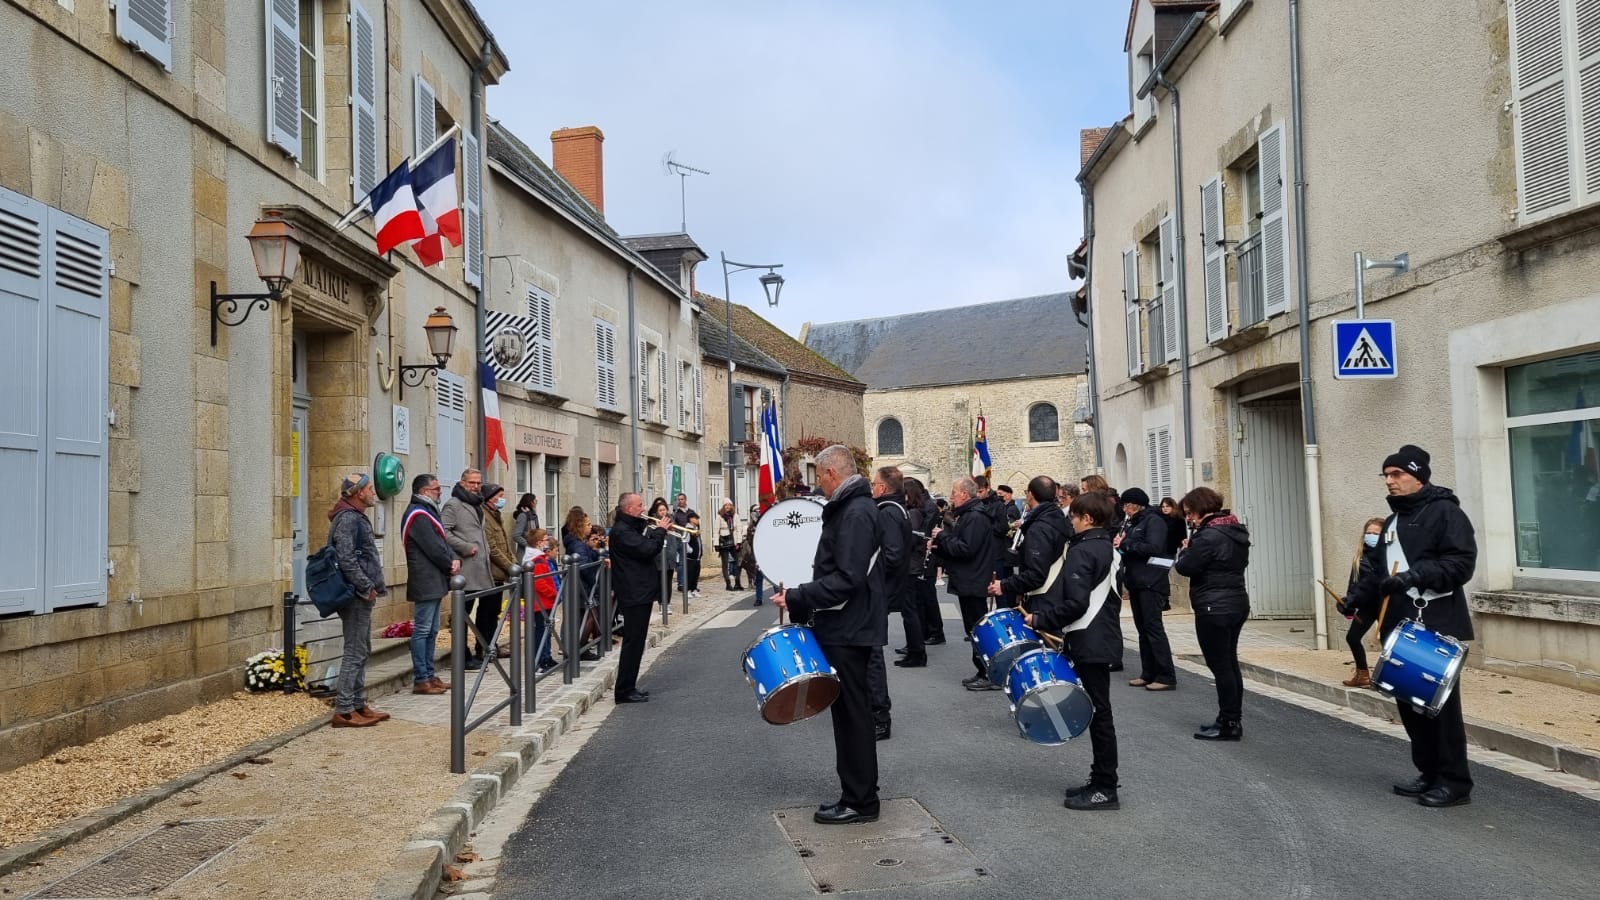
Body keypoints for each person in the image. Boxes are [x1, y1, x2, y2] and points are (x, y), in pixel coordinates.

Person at [1348, 445, 1477, 808]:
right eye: (1386, 476)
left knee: (1440, 707)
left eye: (1397, 474)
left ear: (1418, 475)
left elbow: (1460, 565)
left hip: (1432, 621)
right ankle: (1429, 772)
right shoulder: (1393, 521)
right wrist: (1357, 597)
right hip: (1399, 623)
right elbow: (1376, 571)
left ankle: (1454, 782)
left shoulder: (1446, 513)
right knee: (1410, 703)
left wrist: (1413, 576)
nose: (1389, 481)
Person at [773, 445, 884, 824]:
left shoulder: (854, 512)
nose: (817, 483)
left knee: (853, 716)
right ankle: (857, 793)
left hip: (848, 628)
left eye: (818, 476)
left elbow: (848, 579)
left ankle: (860, 801)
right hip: (848, 626)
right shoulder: (855, 508)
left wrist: (799, 596)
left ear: (832, 473)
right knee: (850, 714)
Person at [1025, 490, 1121, 810]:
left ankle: (1105, 787)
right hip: (1100, 635)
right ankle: (1100, 780)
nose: (1072, 522)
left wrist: (1041, 617)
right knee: (1098, 712)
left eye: (1075, 517)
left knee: (1099, 714)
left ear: (1088, 519)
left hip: (1089, 638)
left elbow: (1077, 603)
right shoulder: (1106, 545)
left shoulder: (1084, 550)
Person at [1174, 486, 1251, 741]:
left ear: (1199, 509)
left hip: (1213, 605)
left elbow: (1186, 567)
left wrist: (1185, 549)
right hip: (1236, 602)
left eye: (1189, 512)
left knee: (1221, 666)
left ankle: (1230, 722)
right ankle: (1229, 717)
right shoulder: (1235, 530)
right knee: (1229, 662)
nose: (1188, 518)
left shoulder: (1207, 536)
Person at [327, 471, 387, 727]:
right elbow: (346, 558)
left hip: (362, 592)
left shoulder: (356, 517)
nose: (373, 492)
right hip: (355, 594)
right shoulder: (348, 519)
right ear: (358, 493)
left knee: (363, 649)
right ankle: (344, 709)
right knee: (354, 650)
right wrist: (366, 586)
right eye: (370, 488)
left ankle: (358, 703)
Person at [931, 476, 1001, 690]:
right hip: (968, 578)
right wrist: (940, 545)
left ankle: (989, 673)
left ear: (964, 494)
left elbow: (966, 549)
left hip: (973, 579)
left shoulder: (975, 517)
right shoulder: (968, 515)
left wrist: (943, 537)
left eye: (954, 491)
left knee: (978, 629)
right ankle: (982, 669)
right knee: (973, 629)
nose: (951, 496)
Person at [608, 493, 669, 703]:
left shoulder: (629, 528)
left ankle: (629, 686)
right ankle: (624, 690)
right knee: (633, 643)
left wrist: (652, 530)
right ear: (628, 509)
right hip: (633, 592)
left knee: (637, 641)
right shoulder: (621, 532)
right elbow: (647, 549)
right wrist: (660, 531)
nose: (643, 509)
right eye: (640, 505)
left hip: (639, 590)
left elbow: (644, 544)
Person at [402, 474, 459, 696]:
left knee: (433, 630)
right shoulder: (417, 514)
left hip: (434, 578)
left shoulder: (427, 511)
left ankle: (429, 673)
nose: (439, 492)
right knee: (423, 630)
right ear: (424, 491)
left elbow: (442, 540)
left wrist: (452, 558)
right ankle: (421, 678)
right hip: (425, 578)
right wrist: (449, 563)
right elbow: (433, 546)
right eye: (436, 489)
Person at [868, 466, 913, 740]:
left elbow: (893, 555)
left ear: (883, 488)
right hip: (885, 591)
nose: (872, 488)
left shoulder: (887, 512)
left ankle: (879, 717)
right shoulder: (897, 509)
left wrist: (869, 576)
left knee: (872, 657)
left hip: (878, 593)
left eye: (874, 484)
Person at [1116, 488, 1177, 691]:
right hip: (1136, 580)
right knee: (1142, 630)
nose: (1124, 509)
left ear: (1136, 504)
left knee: (1153, 629)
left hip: (1151, 581)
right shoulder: (1135, 522)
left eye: (1126, 505)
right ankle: (1148, 672)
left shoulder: (1153, 521)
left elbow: (1154, 547)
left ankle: (1166, 675)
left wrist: (1127, 543)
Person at [989, 476, 1071, 617]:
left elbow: (1036, 573)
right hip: (1055, 593)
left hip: (1044, 598)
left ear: (1031, 495)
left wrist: (1004, 585)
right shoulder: (1057, 518)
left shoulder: (1040, 527)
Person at [441, 468, 494, 669]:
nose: (475, 486)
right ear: (462, 482)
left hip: (480, 566)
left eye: (478, 483)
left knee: (477, 611)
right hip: (466, 567)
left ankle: (476, 651)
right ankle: (462, 656)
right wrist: (465, 547)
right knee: (462, 614)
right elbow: (443, 531)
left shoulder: (476, 503)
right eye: (471, 482)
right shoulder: (453, 505)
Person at [1337, 517, 1387, 688]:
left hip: (1386, 606)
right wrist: (1348, 604)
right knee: (1352, 637)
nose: (1371, 536)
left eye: (1376, 533)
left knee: (1389, 643)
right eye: (1368, 533)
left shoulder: (1388, 555)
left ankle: (1389, 680)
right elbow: (1354, 584)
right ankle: (1362, 675)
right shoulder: (1360, 557)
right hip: (1367, 606)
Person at [903, 478, 945, 646]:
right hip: (920, 555)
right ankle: (925, 631)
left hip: (927, 555)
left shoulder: (928, 507)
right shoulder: (920, 506)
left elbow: (925, 532)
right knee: (920, 597)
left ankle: (936, 631)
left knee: (928, 596)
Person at [478, 483, 516, 659]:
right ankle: (484, 648)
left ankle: (491, 645)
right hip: (491, 573)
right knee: (487, 613)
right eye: (499, 495)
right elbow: (492, 548)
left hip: (499, 573)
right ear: (490, 497)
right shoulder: (485, 516)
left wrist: (514, 562)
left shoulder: (496, 515)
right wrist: (509, 566)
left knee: (493, 613)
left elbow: (505, 544)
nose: (502, 499)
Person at [521, 528, 562, 673]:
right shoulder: (537, 560)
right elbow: (539, 583)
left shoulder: (539, 558)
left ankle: (546, 657)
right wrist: (554, 593)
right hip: (541, 602)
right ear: (539, 543)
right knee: (541, 632)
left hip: (544, 602)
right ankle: (540, 661)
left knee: (546, 630)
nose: (548, 540)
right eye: (546, 539)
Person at [714, 500, 744, 592]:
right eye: (726, 505)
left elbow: (739, 529)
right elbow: (716, 530)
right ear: (723, 506)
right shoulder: (720, 516)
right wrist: (716, 544)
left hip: (734, 541)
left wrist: (739, 542)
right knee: (725, 564)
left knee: (739, 561)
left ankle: (737, 582)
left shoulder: (735, 516)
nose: (727, 506)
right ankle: (728, 583)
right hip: (724, 542)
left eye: (729, 505)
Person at [673, 493, 698, 596]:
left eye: (682, 499)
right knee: (681, 562)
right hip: (681, 539)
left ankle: (691, 585)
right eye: (678, 499)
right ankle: (682, 583)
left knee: (692, 563)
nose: (680, 501)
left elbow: (696, 523)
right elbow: (674, 526)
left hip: (692, 539)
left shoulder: (691, 512)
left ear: (685, 500)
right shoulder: (676, 514)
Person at [512, 493, 540, 559]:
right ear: (530, 502)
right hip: (525, 555)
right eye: (535, 500)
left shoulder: (533, 515)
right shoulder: (523, 516)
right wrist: (530, 545)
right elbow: (516, 536)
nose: (536, 502)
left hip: (533, 553)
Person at [684, 513, 704, 598]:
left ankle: (694, 589)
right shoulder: (688, 529)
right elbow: (685, 542)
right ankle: (688, 590)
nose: (697, 520)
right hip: (691, 558)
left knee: (696, 574)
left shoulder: (696, 529)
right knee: (690, 574)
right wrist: (691, 551)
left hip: (697, 557)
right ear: (691, 519)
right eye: (696, 518)